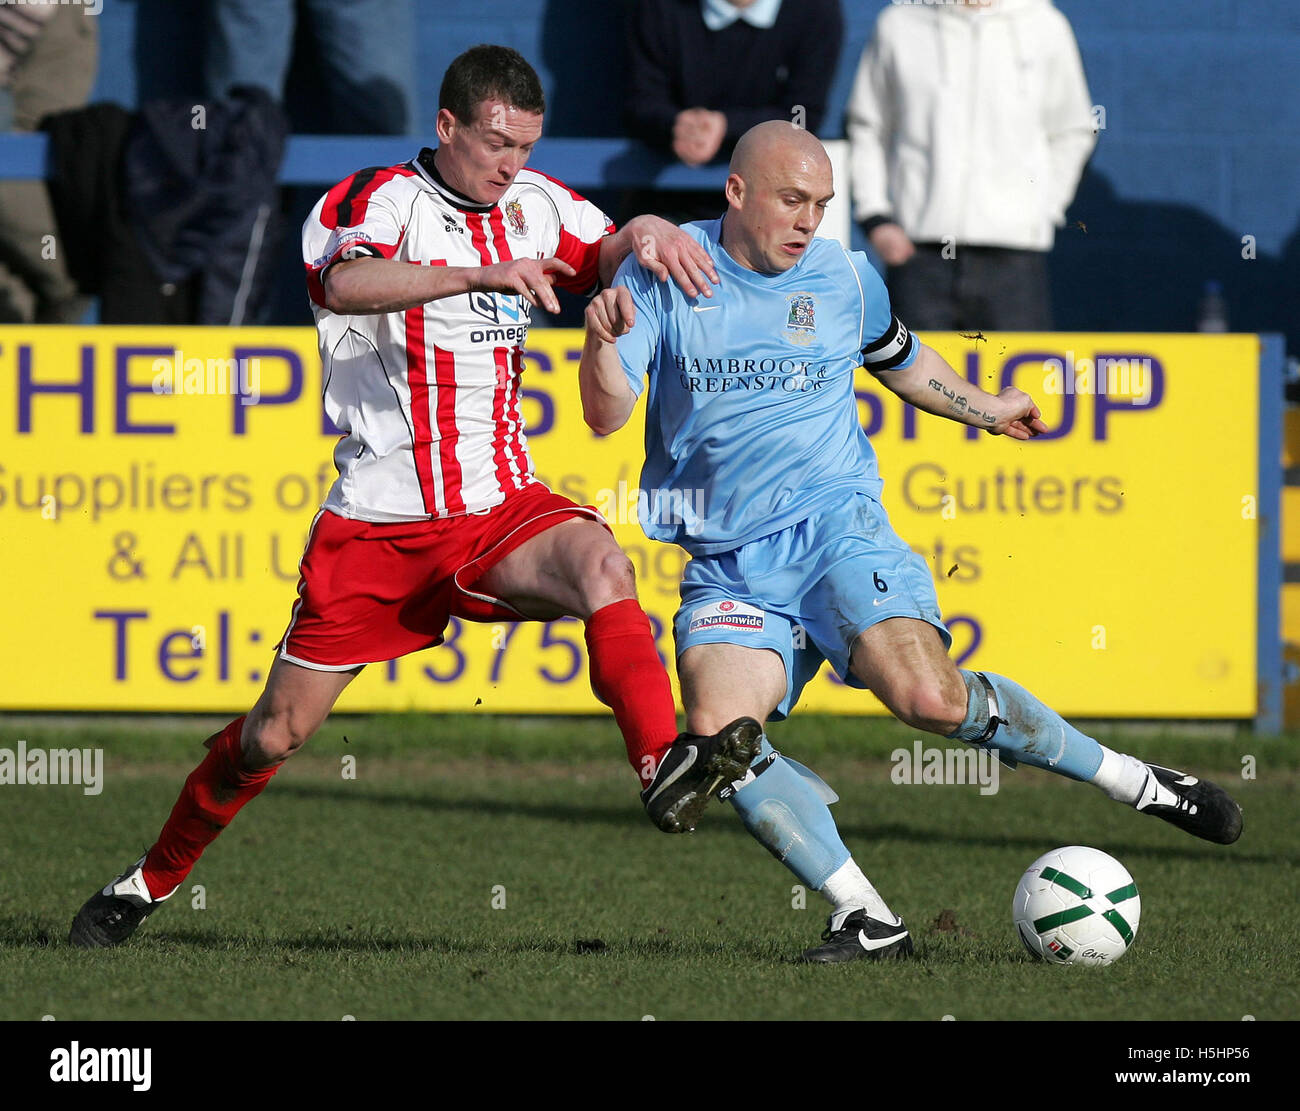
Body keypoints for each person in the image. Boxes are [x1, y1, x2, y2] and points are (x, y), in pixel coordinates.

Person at [68, 45, 762, 949]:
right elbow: (343, 282)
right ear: (446, 127)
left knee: (602, 560)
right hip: (378, 526)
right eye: (496, 143)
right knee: (271, 737)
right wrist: (477, 274)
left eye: (525, 146)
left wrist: (650, 231)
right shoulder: (374, 201)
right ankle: (148, 880)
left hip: (497, 508)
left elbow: (603, 248)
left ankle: (661, 763)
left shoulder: (537, 203)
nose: (512, 165)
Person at [578, 120, 1242, 963]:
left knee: (932, 701)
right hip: (729, 564)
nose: (808, 221)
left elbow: (896, 356)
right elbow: (605, 414)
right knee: (718, 733)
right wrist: (602, 340)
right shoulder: (665, 275)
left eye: (820, 204)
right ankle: (866, 915)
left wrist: (985, 406)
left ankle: (1138, 781)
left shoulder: (848, 276)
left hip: (836, 530)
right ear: (735, 192)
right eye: (791, 200)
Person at [846, 0, 1096, 330]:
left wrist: (1043, 211)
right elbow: (867, 126)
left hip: (1015, 263)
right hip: (918, 258)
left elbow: (1073, 129)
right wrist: (875, 217)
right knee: (907, 378)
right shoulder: (899, 23)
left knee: (1015, 379)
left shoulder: (1046, 25)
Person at [622, 0, 843, 225]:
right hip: (664, 205)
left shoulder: (816, 10)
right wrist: (677, 126)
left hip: (766, 211)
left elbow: (802, 116)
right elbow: (640, 103)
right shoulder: (657, 7)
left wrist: (725, 127)